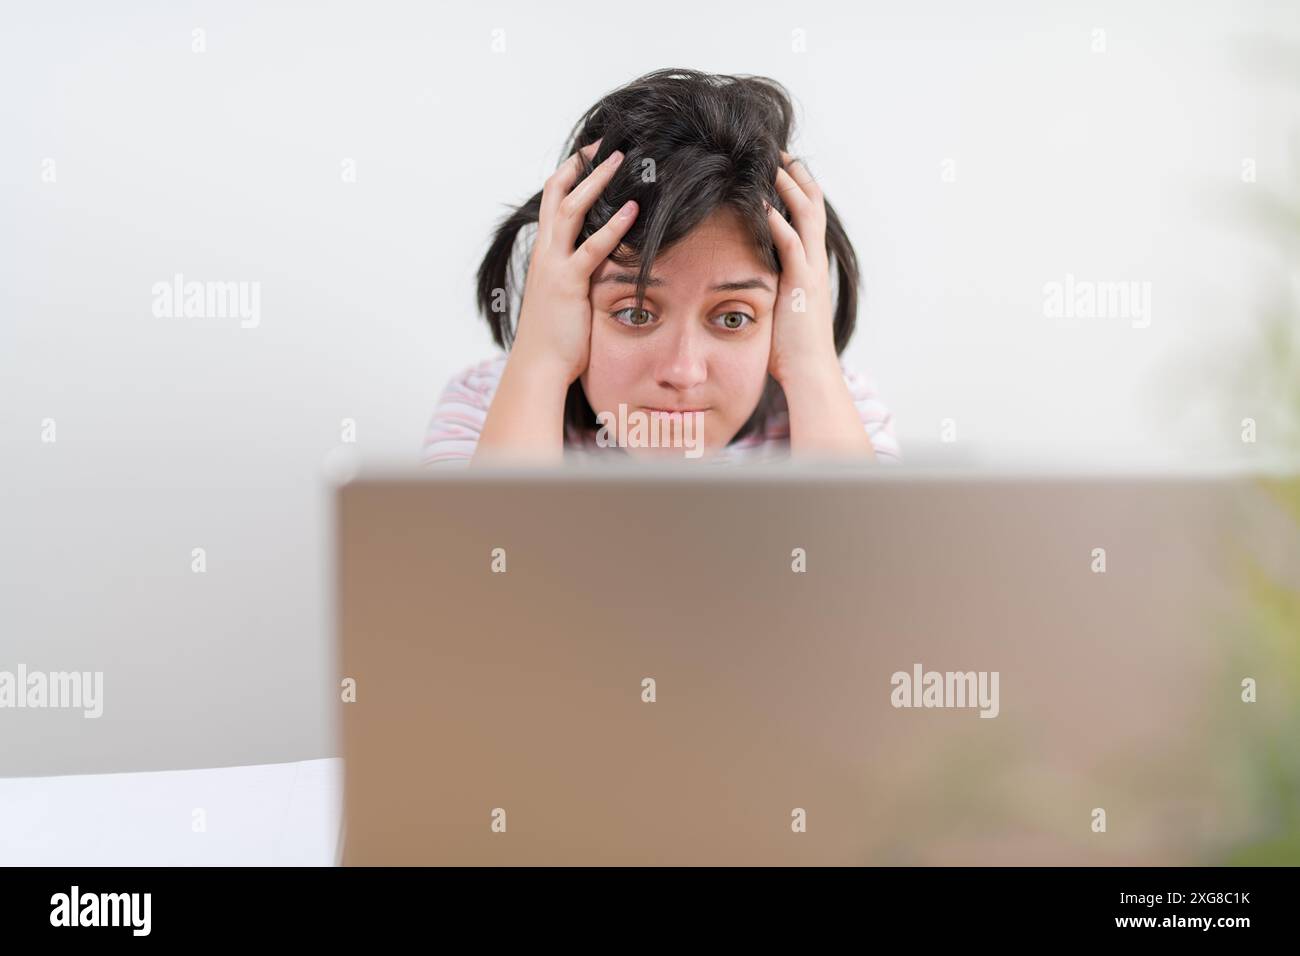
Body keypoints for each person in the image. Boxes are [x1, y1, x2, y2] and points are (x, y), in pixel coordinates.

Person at [423, 68, 900, 466]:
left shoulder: (836, 408)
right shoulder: (485, 407)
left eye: (734, 317)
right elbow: (489, 569)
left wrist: (811, 365)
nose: (683, 372)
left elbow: (861, 574)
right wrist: (541, 362)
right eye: (635, 313)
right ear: (566, 302)